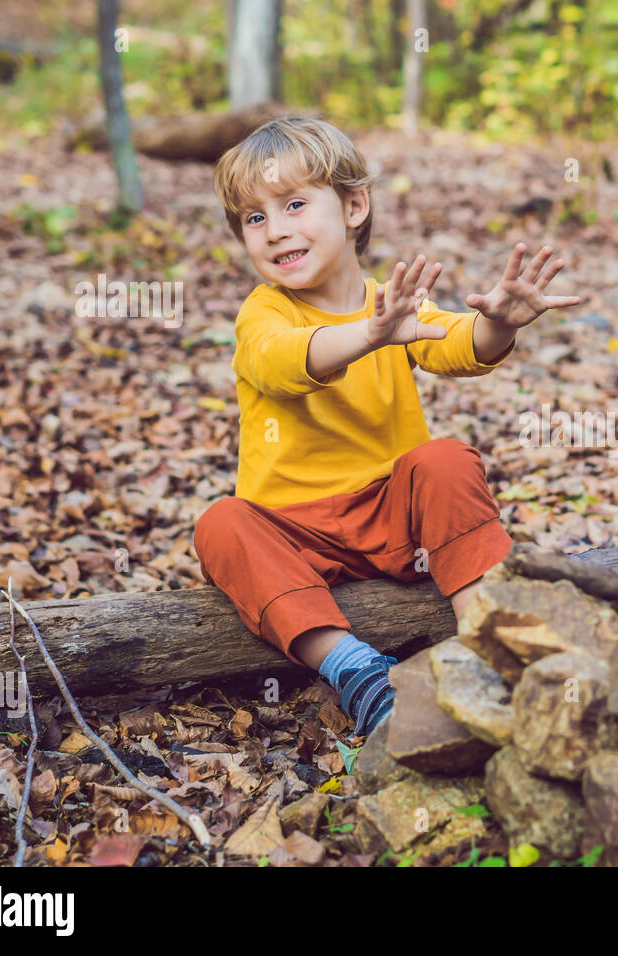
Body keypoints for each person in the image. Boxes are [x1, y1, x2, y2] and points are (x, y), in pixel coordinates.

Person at [195, 116, 581, 737]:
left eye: (295, 204)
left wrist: (500, 324)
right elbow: (282, 363)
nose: (276, 229)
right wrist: (368, 335)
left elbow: (454, 342)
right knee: (221, 523)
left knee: (446, 459)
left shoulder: (391, 302)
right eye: (255, 217)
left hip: (392, 521)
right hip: (293, 533)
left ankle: (489, 636)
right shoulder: (264, 311)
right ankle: (355, 670)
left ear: (354, 205)